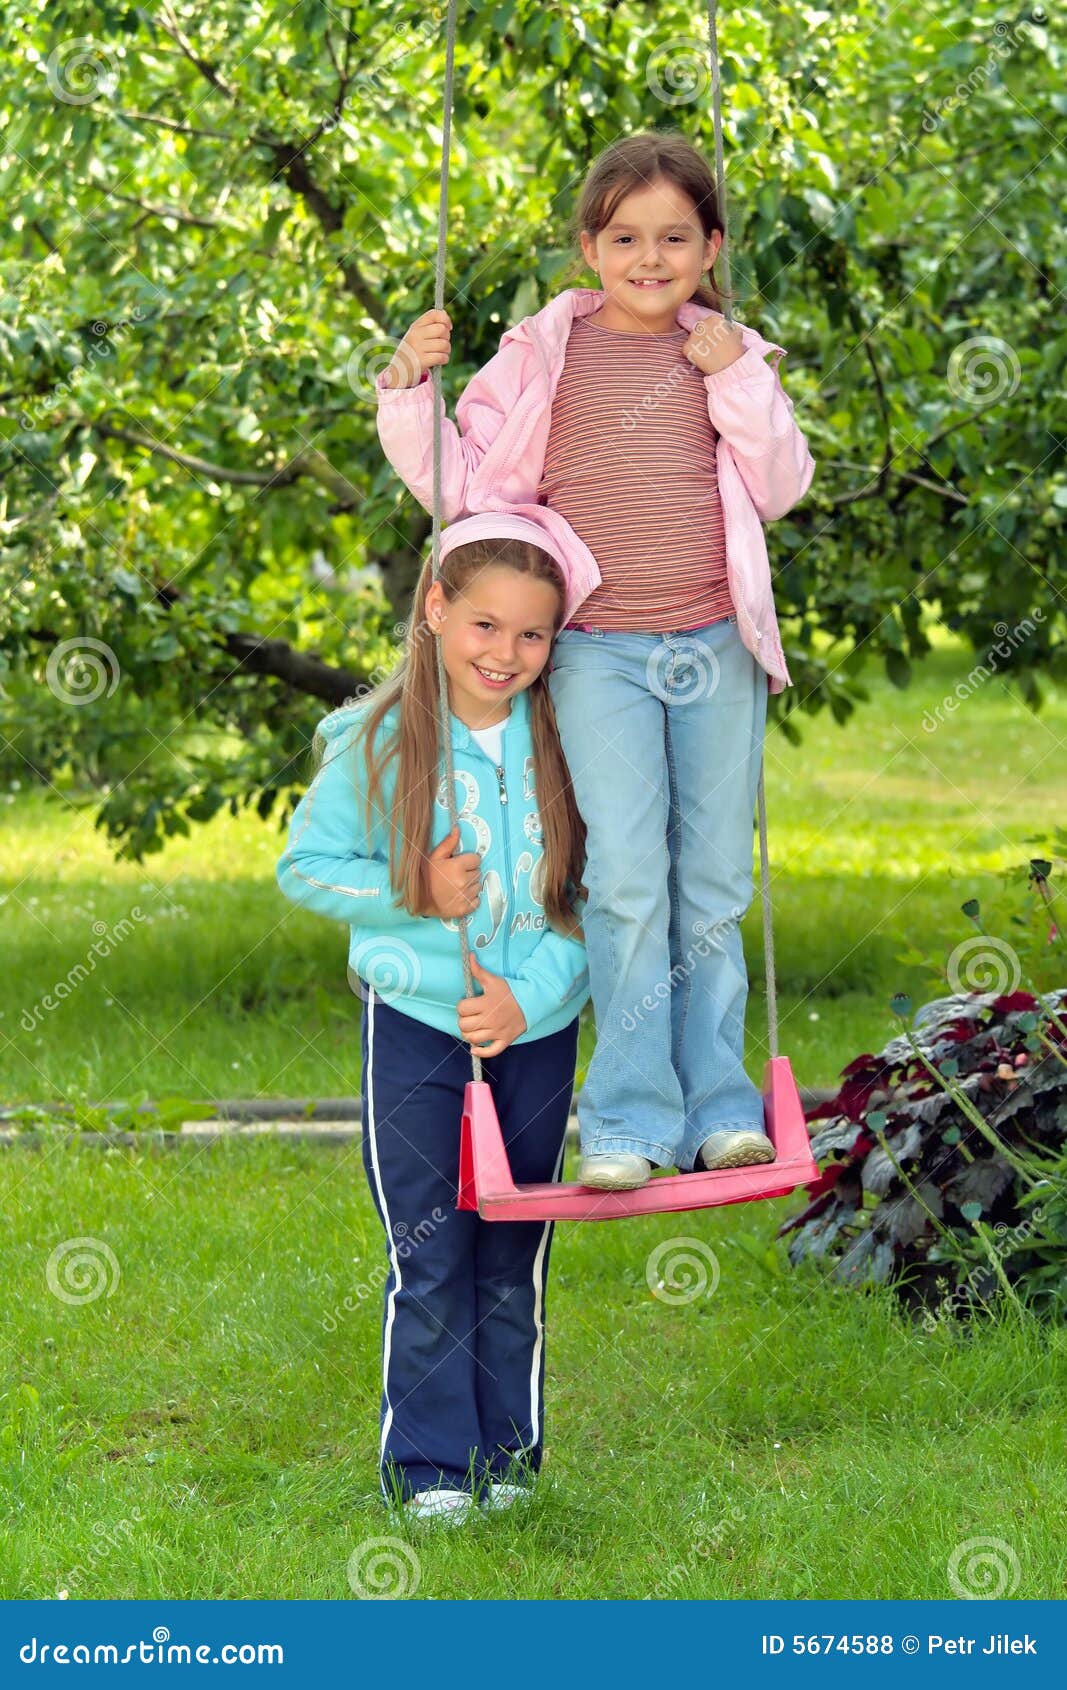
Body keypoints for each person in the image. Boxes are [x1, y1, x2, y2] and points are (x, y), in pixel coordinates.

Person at [376, 129, 814, 1193]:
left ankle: (718, 1108)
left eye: (674, 238)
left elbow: (779, 482)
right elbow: (464, 484)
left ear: (710, 247)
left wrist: (736, 383)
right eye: (625, 237)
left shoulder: (728, 352)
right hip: (599, 652)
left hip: (711, 640)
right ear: (588, 247)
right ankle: (622, 1116)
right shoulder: (541, 353)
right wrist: (405, 390)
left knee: (707, 879)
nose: (650, 258)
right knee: (624, 879)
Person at [276, 514, 590, 1525]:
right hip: (417, 1022)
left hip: (532, 1032)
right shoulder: (376, 736)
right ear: (434, 608)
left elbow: (597, 897)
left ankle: (508, 1460)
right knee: (431, 1245)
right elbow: (307, 867)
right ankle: (429, 1467)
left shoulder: (571, 738)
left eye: (531, 635)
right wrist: (408, 887)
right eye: (484, 625)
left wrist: (530, 994)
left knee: (511, 1248)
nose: (504, 654)